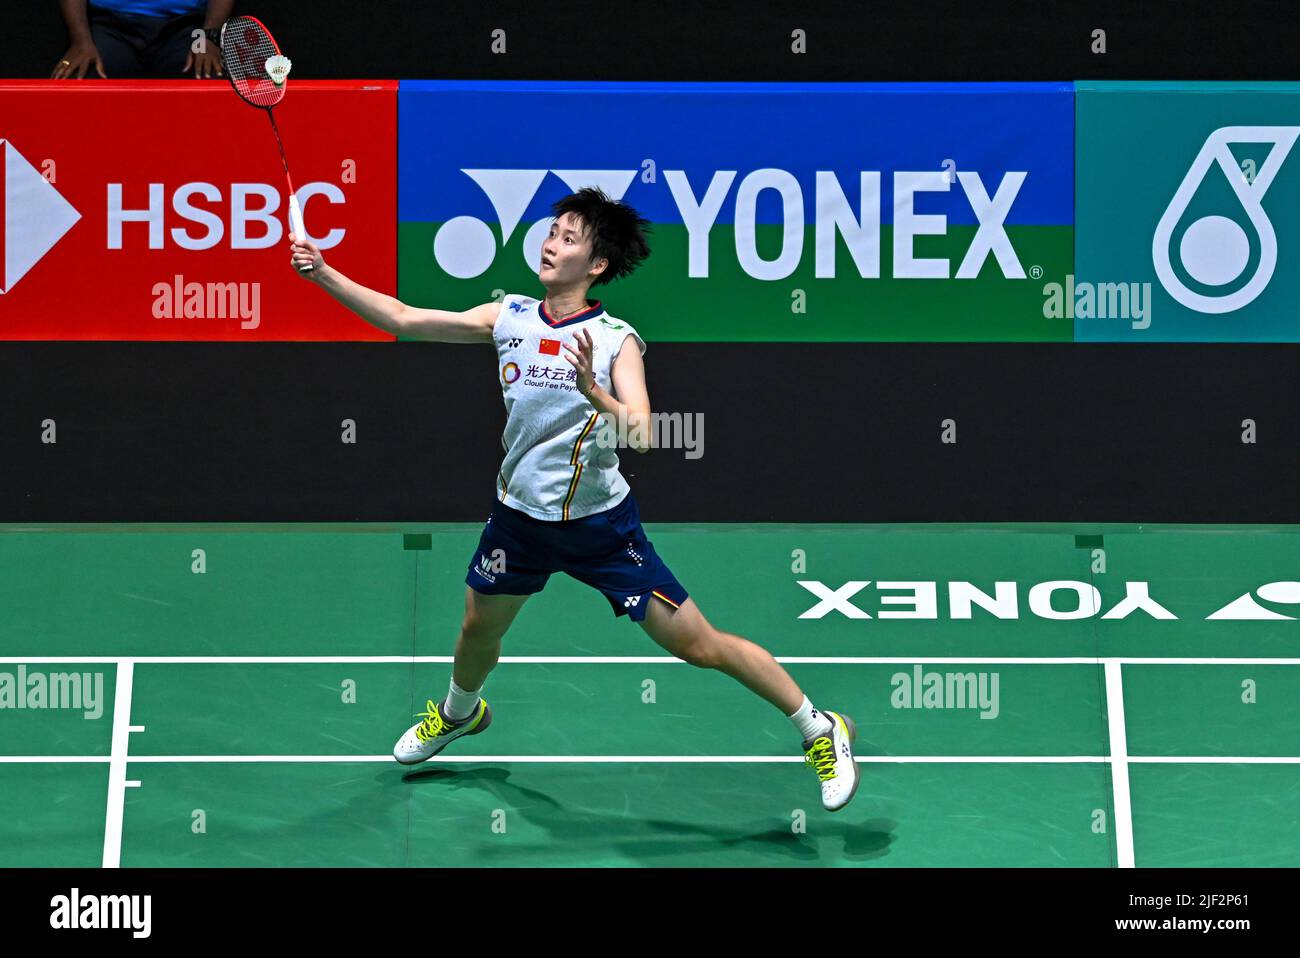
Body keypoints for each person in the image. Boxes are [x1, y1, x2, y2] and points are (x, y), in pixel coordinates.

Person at [287, 187, 861, 811]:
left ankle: (817, 727)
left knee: (700, 645)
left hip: (600, 529)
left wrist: (595, 392)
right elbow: (401, 317)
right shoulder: (508, 317)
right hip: (518, 521)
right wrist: (324, 274)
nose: (551, 243)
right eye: (552, 230)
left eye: (568, 237)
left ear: (596, 266)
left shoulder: (617, 340)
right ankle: (461, 713)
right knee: (477, 630)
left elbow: (641, 431)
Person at [50, 0, 232, 79]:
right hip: (111, 25)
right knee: (77, 80)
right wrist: (80, 41)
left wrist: (209, 36)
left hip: (189, 28)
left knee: (211, 79)